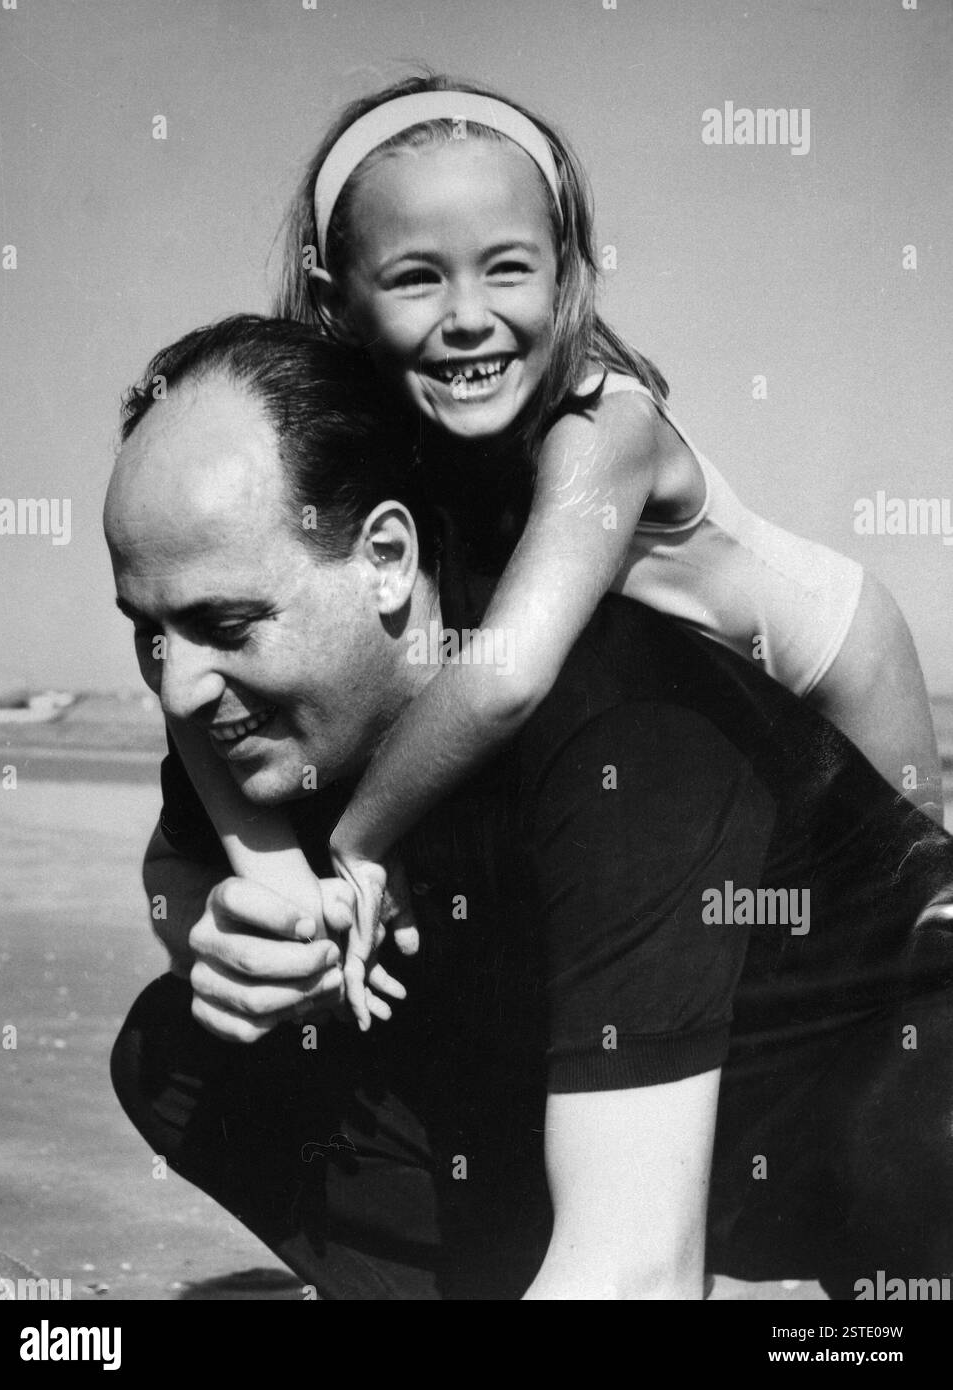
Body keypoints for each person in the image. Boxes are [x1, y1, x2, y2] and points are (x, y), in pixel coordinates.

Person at [105, 316, 953, 1300]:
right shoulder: (265, 724)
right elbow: (182, 859)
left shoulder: (615, 727)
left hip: (840, 1093)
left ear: (386, 555)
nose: (178, 689)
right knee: (181, 1053)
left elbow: (631, 1274)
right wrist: (231, 939)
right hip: (606, 1080)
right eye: (150, 633)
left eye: (222, 624)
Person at [164, 75, 942, 1028]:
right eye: (416, 276)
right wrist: (273, 873)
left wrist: (357, 846)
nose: (467, 315)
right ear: (336, 302)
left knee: (905, 950)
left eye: (508, 268)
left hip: (827, 666)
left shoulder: (601, 429)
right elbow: (192, 643)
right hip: (680, 692)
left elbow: (504, 677)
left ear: (568, 271)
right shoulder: (376, 434)